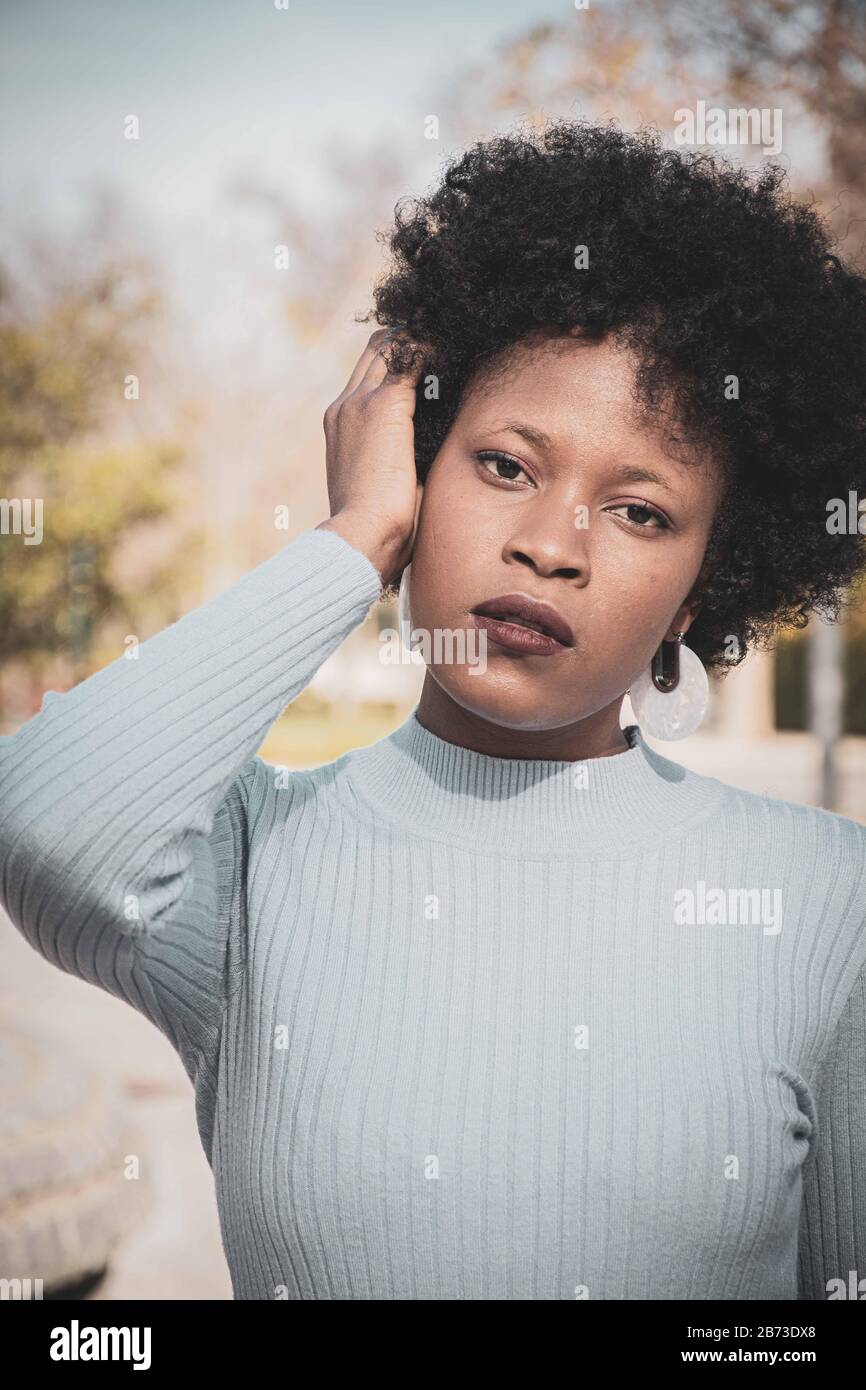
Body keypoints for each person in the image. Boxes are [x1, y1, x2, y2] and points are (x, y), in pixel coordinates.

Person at [1, 120, 865, 1301]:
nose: (547, 545)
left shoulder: (826, 900)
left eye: (639, 511)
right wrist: (353, 539)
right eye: (505, 465)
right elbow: (44, 823)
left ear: (697, 594)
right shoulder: (257, 857)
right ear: (414, 463)